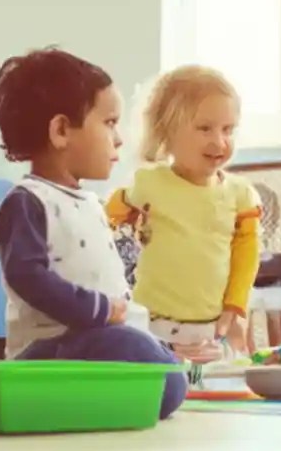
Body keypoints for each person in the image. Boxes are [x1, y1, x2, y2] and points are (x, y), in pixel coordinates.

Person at [0, 48, 186, 419]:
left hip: (93, 339)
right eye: (110, 122)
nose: (119, 139)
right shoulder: (28, 202)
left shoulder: (90, 202)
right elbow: (26, 276)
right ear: (61, 130)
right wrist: (96, 310)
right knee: (148, 363)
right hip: (51, 349)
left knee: (163, 363)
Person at [106, 65, 260, 364]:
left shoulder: (240, 195)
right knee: (161, 394)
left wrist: (236, 307)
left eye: (228, 129)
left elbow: (247, 254)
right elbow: (103, 221)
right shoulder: (148, 184)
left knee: (209, 400)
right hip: (152, 325)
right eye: (205, 128)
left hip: (211, 329)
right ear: (168, 131)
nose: (219, 141)